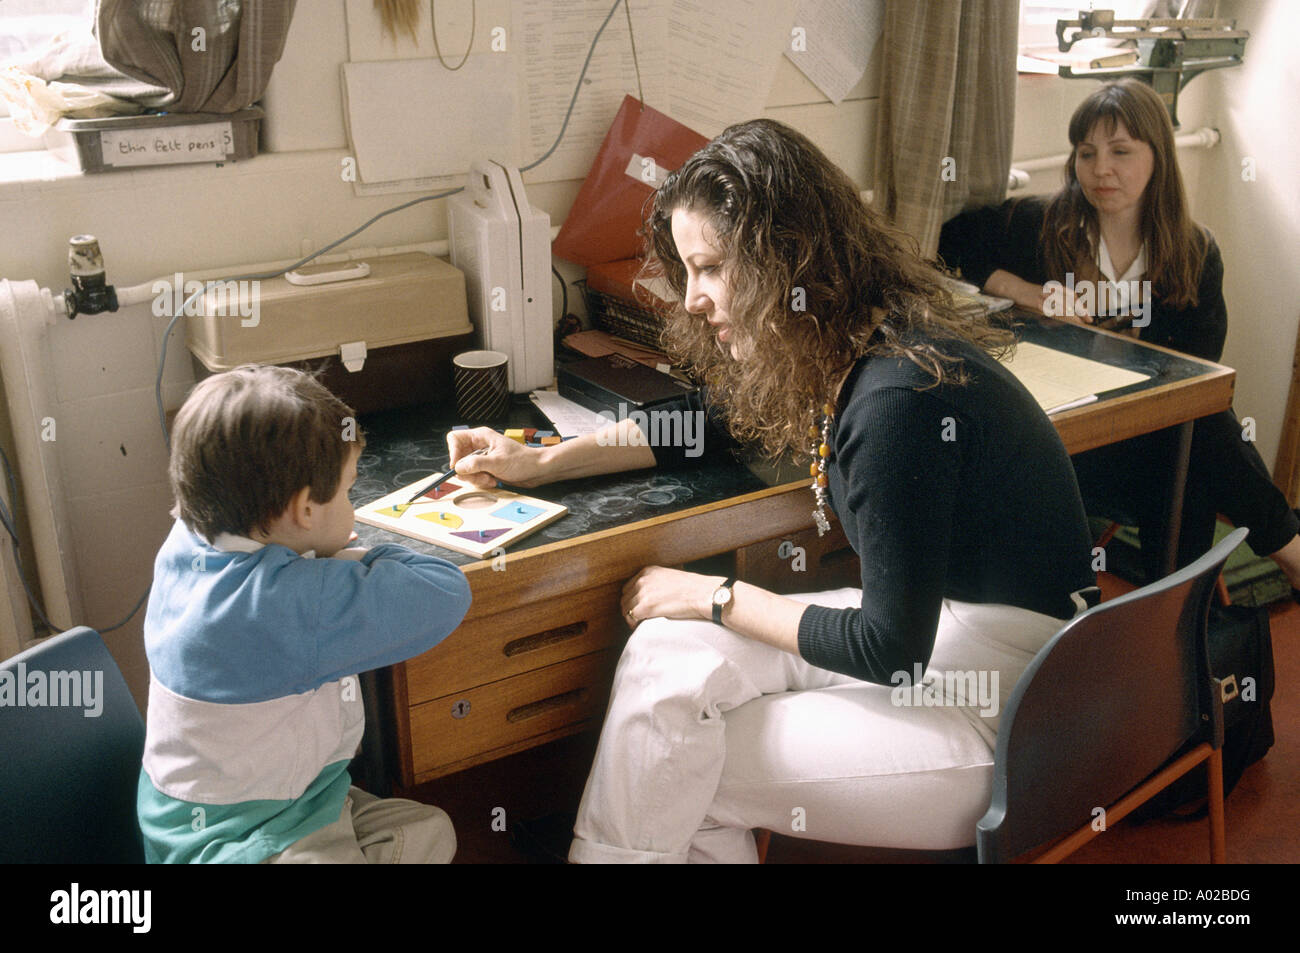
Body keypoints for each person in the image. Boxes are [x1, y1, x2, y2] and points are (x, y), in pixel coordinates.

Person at [448, 119, 1098, 862]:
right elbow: (708, 423)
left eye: (710, 267)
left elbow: (891, 650)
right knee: (665, 655)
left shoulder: (896, 405)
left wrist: (712, 596)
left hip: (1003, 708)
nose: (690, 298)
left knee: (675, 765)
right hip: (961, 638)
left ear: (787, 256)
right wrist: (540, 462)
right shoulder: (857, 339)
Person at [939, 78, 1300, 589]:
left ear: (1158, 158)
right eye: (1087, 153)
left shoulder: (1196, 252)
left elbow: (1196, 380)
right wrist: (1024, 289)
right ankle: (1228, 584)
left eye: (1121, 152)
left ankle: (1175, 606)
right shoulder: (1038, 224)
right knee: (1200, 441)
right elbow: (950, 240)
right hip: (1059, 442)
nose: (1100, 169)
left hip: (1153, 443)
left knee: (1197, 432)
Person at [138, 364, 472, 863]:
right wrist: (348, 558)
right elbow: (446, 591)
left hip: (235, 807)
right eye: (348, 490)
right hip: (238, 841)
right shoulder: (286, 606)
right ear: (304, 511)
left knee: (427, 830)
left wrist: (317, 554)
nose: (352, 505)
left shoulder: (190, 543)